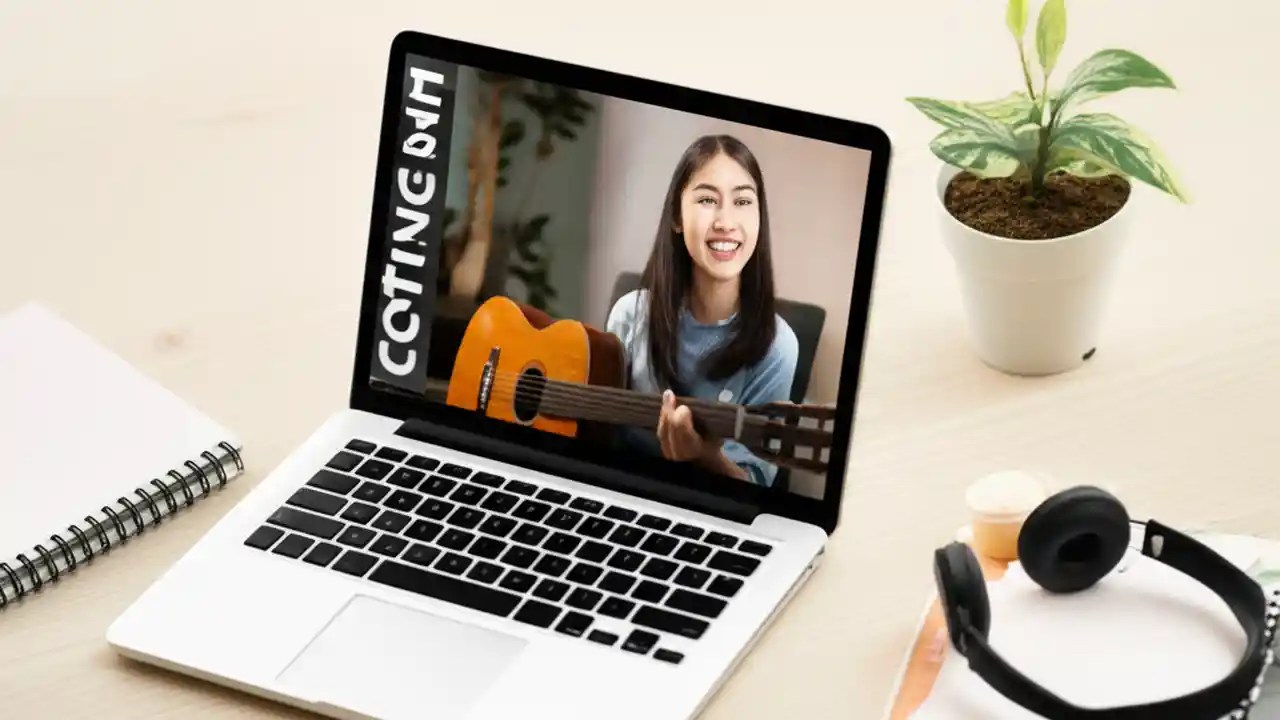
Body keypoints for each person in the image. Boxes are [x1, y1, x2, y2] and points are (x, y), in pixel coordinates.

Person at [606, 134, 798, 487]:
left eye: (742, 201)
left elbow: (754, 487)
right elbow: (596, 437)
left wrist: (706, 458)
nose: (726, 221)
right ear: (677, 217)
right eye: (708, 199)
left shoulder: (778, 345)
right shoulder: (629, 314)